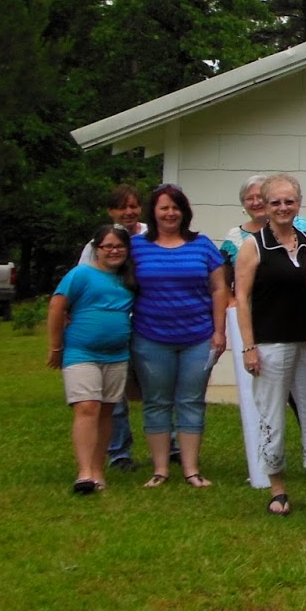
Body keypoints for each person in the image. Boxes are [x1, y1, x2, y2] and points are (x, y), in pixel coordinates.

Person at [233, 174, 306, 515]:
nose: (283, 208)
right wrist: (248, 346)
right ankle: (278, 486)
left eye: (289, 202)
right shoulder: (252, 246)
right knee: (271, 414)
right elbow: (241, 298)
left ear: (298, 203)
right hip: (270, 343)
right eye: (276, 202)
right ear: (264, 206)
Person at [131, 184, 227, 489]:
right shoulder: (136, 246)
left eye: (175, 207)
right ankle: (160, 469)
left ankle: (191, 469)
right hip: (150, 337)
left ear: (184, 212)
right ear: (154, 212)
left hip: (198, 337)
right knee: (156, 401)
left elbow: (219, 289)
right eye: (164, 208)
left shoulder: (202, 245)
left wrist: (219, 331)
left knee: (191, 401)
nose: (170, 213)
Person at [48, 224, 136, 494]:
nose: (113, 251)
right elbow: (57, 306)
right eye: (107, 246)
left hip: (117, 355)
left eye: (119, 246)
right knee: (87, 407)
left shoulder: (129, 279)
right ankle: (84, 472)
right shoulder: (81, 274)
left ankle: (98, 471)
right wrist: (55, 347)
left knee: (107, 410)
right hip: (81, 353)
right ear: (96, 249)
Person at [80, 185, 145, 474]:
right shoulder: (98, 244)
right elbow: (82, 285)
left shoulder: (150, 238)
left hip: (147, 326)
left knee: (157, 391)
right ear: (111, 211)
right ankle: (120, 453)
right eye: (121, 207)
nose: (128, 212)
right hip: (112, 330)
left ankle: (171, 447)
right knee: (114, 398)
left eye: (133, 205)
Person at [221, 175, 275, 490]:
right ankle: (261, 465)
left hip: (292, 321)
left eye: (261, 196)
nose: (256, 202)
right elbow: (227, 282)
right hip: (251, 322)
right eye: (250, 198)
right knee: (257, 395)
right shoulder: (234, 238)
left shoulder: (303, 228)